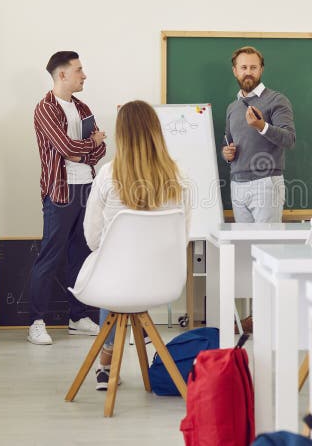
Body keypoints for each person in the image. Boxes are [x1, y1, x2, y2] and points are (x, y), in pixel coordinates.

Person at [82, 100, 191, 390]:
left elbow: (92, 239)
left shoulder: (107, 174)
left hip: (115, 282)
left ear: (121, 134)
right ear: (156, 131)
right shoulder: (178, 177)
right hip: (160, 281)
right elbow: (183, 237)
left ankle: (106, 362)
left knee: (110, 265)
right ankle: (137, 334)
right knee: (121, 269)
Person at [28, 51, 107, 345]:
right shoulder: (45, 108)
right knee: (51, 256)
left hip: (88, 188)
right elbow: (65, 147)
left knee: (82, 254)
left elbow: (98, 152)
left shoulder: (83, 107)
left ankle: (78, 317)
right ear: (62, 74)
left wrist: (84, 148)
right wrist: (89, 145)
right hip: (60, 191)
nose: (83, 75)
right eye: (79, 70)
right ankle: (36, 322)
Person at [222, 46, 296, 223]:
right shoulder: (232, 107)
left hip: (266, 183)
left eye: (253, 68)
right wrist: (226, 154)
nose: (248, 72)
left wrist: (262, 126)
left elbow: (289, 139)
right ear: (235, 71)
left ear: (261, 69)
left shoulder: (277, 100)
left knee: (266, 244)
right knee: (243, 247)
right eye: (244, 68)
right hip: (237, 184)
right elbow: (228, 141)